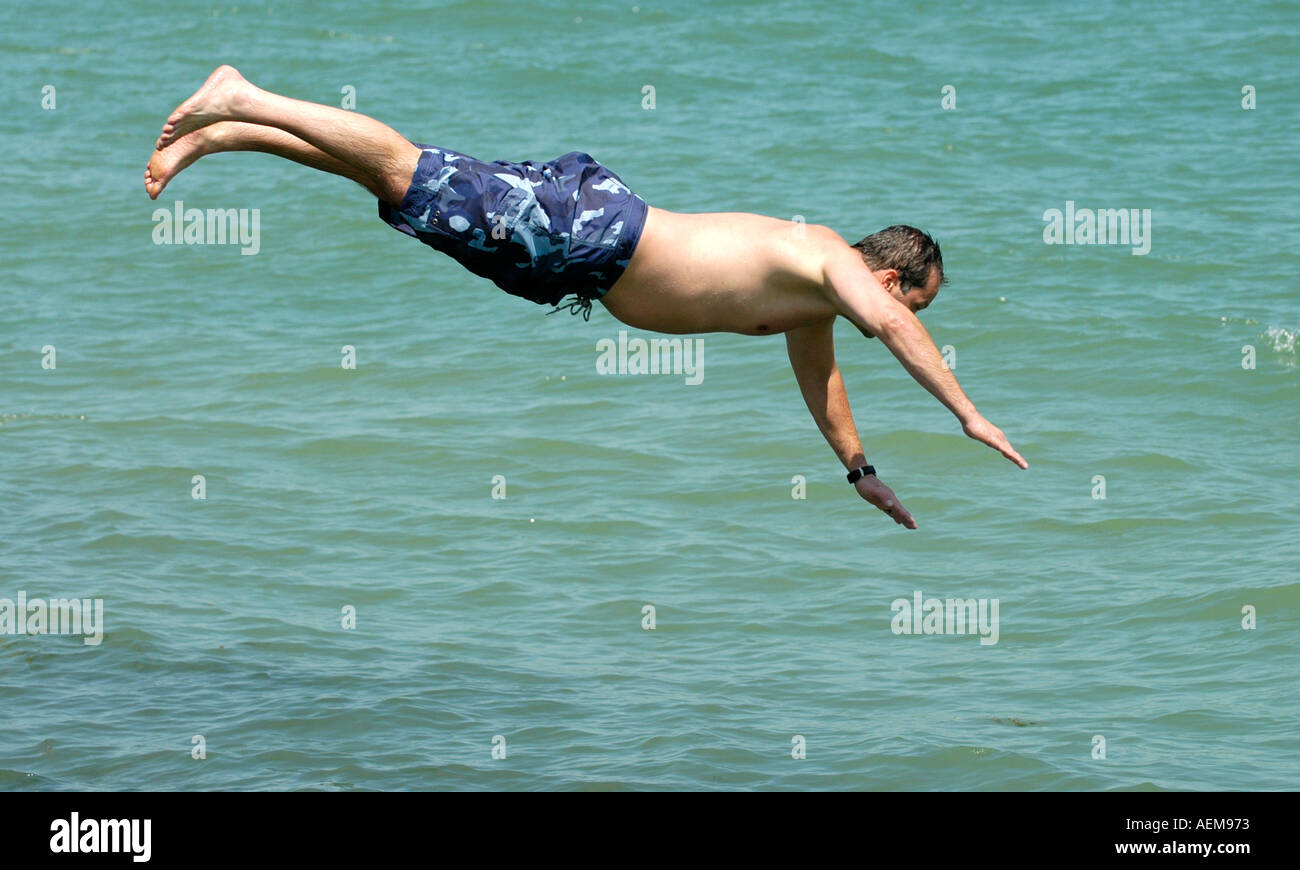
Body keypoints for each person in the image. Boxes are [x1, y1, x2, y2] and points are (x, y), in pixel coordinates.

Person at [147, 66, 1028, 528]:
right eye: (917, 308)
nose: (906, 325)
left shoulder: (815, 301)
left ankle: (230, 133)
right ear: (888, 279)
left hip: (576, 259)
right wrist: (967, 414)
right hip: (590, 232)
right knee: (410, 169)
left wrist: (861, 472)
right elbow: (882, 324)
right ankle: (245, 94)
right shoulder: (833, 261)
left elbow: (821, 387)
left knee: (401, 191)